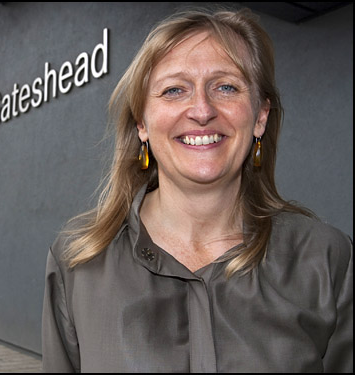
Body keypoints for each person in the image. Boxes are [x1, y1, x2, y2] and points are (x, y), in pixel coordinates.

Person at [42, 7, 353, 373]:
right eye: (174, 90)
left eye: (226, 87)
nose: (202, 110)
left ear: (260, 117)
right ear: (142, 122)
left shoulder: (327, 260)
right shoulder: (77, 264)